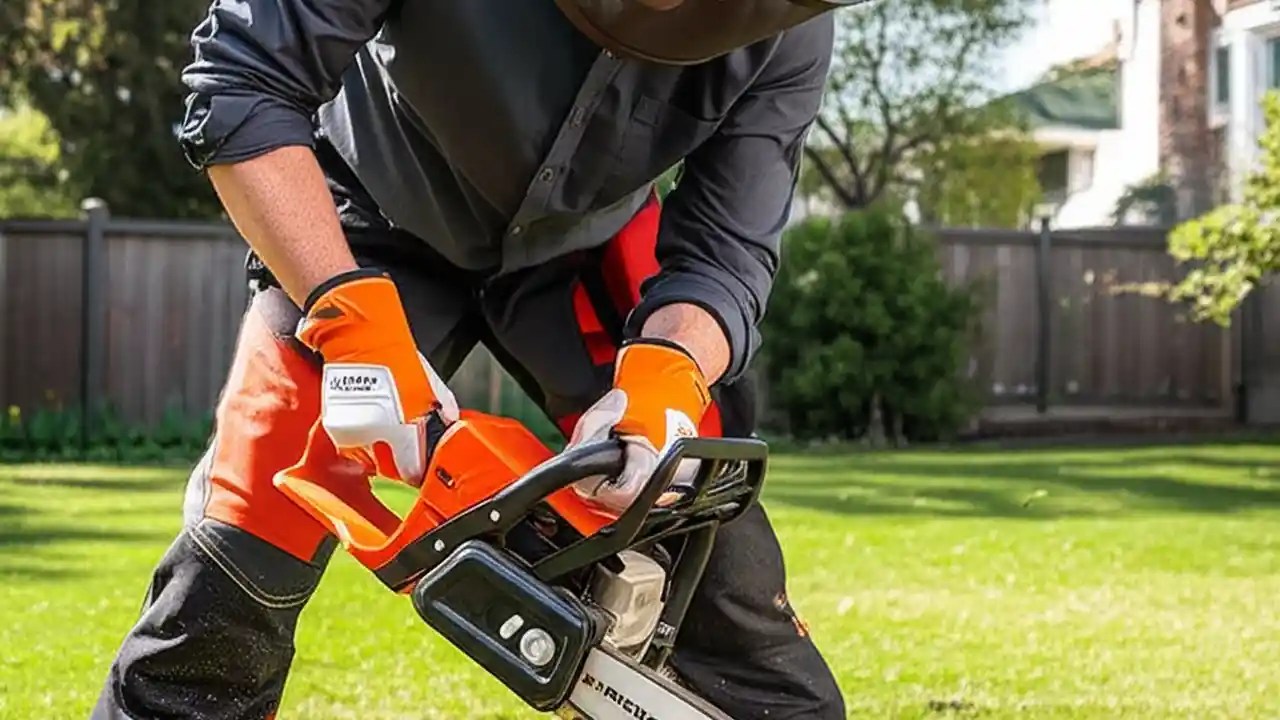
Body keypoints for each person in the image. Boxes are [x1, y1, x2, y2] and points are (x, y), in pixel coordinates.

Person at [93, 1, 852, 718]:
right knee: (254, 527)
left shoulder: (790, 28)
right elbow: (243, 78)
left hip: (586, 251)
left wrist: (666, 377)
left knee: (705, 542)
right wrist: (350, 320)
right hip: (366, 225)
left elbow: (727, 247)